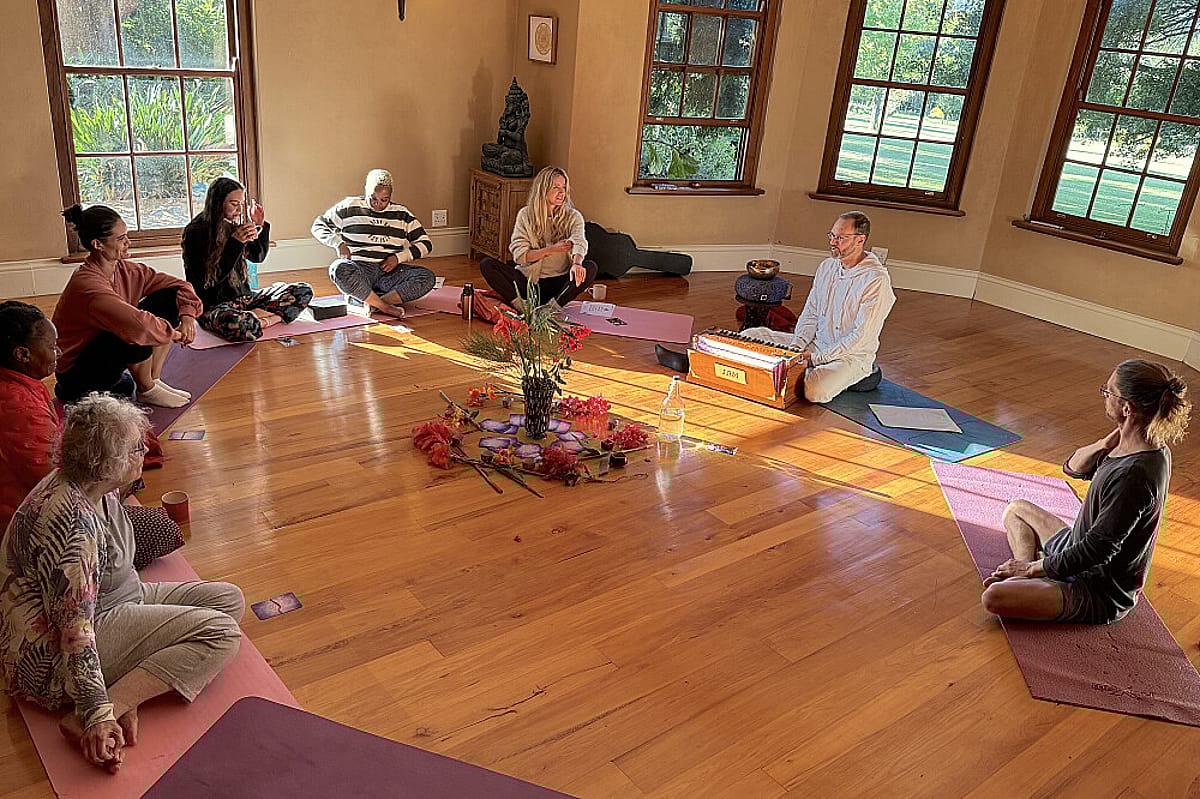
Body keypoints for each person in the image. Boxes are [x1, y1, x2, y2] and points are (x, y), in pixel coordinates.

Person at [0, 394, 245, 773]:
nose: (144, 450)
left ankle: (125, 686)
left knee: (229, 599)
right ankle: (98, 711)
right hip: (55, 655)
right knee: (222, 633)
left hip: (115, 599)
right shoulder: (75, 531)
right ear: (106, 463)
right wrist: (98, 713)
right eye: (135, 448)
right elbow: (74, 636)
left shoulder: (97, 485)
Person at [981, 360, 1190, 624]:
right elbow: (1072, 468)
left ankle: (1028, 572)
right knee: (1016, 509)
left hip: (1097, 588)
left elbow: (1098, 550)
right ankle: (1024, 571)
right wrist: (1103, 444)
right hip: (1074, 546)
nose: (1104, 395)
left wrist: (1033, 569)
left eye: (1109, 391)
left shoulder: (1134, 475)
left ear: (1127, 408)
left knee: (994, 597)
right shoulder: (1137, 443)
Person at [53, 204, 202, 408]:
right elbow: (138, 326)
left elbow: (180, 286)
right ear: (97, 244)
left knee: (170, 298)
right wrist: (176, 335)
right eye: (121, 239)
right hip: (75, 373)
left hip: (101, 355)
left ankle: (152, 380)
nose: (128, 243)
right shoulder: (88, 285)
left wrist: (187, 319)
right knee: (133, 328)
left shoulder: (125, 269)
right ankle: (147, 389)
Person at [741, 211, 895, 403]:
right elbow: (811, 313)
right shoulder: (827, 267)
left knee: (815, 391)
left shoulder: (876, 280)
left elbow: (860, 336)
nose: (833, 242)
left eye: (840, 238)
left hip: (850, 356)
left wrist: (815, 359)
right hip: (815, 344)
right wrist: (795, 350)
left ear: (860, 240)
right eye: (832, 235)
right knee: (749, 337)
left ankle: (865, 374)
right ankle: (799, 370)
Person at [182, 177, 312, 342]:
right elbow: (208, 282)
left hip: (245, 299)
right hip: (215, 306)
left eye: (241, 204)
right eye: (234, 204)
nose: (239, 210)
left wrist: (260, 225)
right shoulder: (195, 232)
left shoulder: (232, 225)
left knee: (303, 290)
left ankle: (260, 319)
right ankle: (266, 318)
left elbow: (258, 256)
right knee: (240, 324)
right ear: (218, 202)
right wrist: (235, 243)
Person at [311, 169, 435, 319]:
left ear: (391, 196)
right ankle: (384, 306)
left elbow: (426, 244)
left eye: (384, 200)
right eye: (373, 199)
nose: (378, 205)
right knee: (338, 269)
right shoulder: (349, 206)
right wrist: (339, 244)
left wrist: (398, 258)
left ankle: (372, 302)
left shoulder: (402, 214)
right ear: (366, 191)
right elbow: (318, 225)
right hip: (360, 270)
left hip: (389, 273)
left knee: (427, 277)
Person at [479, 166, 597, 311]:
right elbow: (520, 256)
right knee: (487, 264)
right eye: (556, 187)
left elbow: (579, 241)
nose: (562, 192)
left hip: (559, 285)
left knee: (590, 267)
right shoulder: (525, 215)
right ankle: (523, 307)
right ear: (543, 189)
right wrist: (551, 250)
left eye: (564, 187)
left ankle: (551, 309)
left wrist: (577, 263)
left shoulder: (573, 216)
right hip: (530, 283)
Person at [0, 301, 60, 530]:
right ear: (22, 354)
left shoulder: (17, 384)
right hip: (19, 527)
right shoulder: (21, 409)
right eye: (52, 347)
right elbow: (57, 479)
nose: (59, 353)